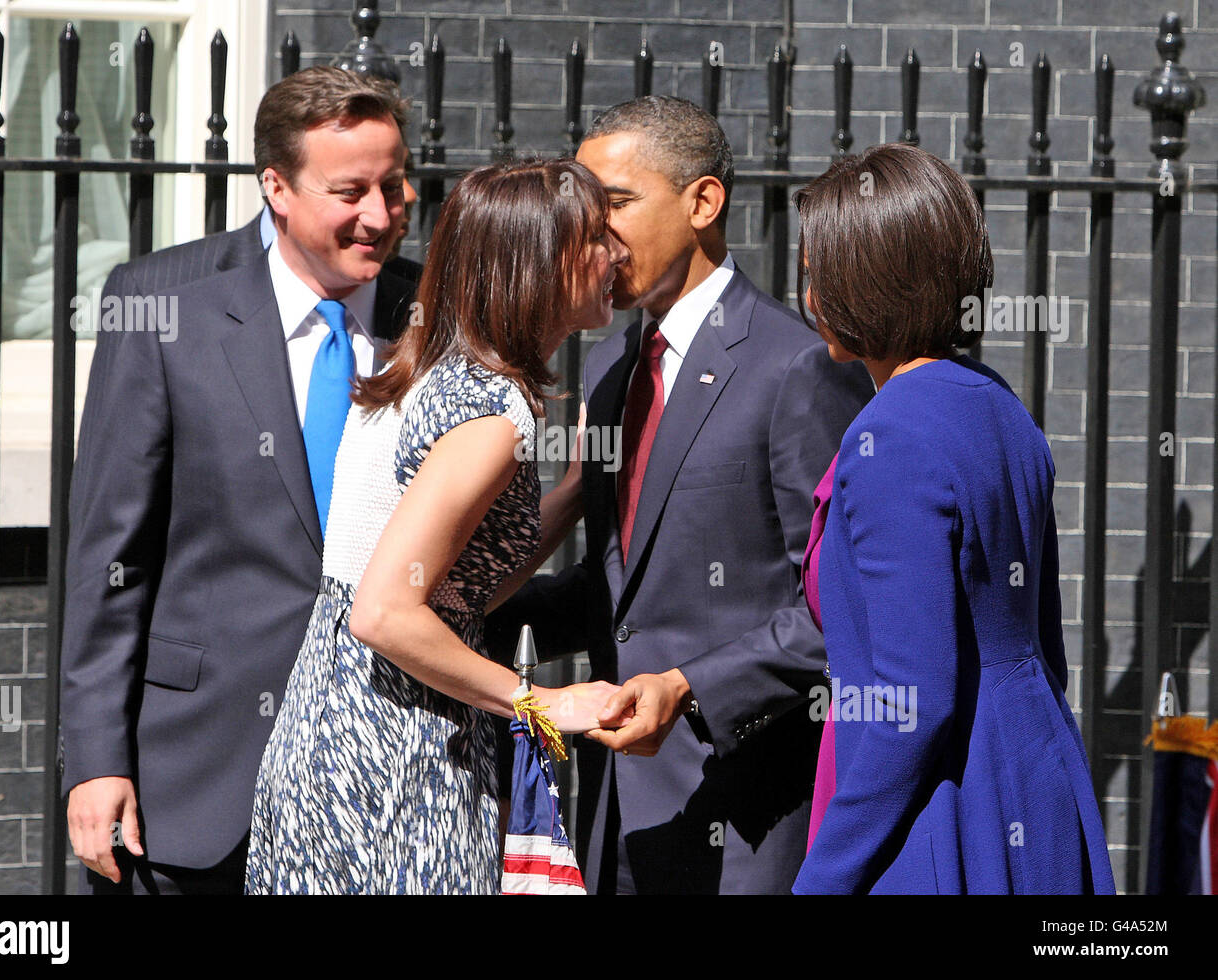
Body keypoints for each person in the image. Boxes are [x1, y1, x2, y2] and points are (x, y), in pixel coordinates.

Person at [486, 96, 873, 894]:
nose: (593, 234)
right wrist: (457, 618)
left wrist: (689, 690)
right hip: (616, 814)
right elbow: (624, 588)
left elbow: (839, 607)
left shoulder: (795, 367)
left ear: (702, 202)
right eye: (585, 211)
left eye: (617, 204)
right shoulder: (611, 372)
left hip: (746, 814)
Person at [60, 67, 414, 894]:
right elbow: (111, 553)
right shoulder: (160, 304)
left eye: (395, 188)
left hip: (387, 776)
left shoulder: (438, 312)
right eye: (350, 190)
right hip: (198, 780)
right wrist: (96, 760)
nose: (380, 215)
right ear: (276, 188)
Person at [245, 158, 627, 895]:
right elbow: (385, 611)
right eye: (594, 240)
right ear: (540, 264)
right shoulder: (491, 412)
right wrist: (542, 703)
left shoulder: (423, 367)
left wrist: (576, 491)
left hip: (331, 726)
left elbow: (455, 581)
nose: (615, 256)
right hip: (396, 749)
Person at [791, 142, 1115, 894]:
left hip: (942, 805)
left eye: (818, 275)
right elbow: (1042, 644)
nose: (808, 298)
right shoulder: (995, 401)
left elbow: (913, 704)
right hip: (1031, 778)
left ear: (864, 283)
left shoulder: (892, 438)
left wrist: (826, 875)